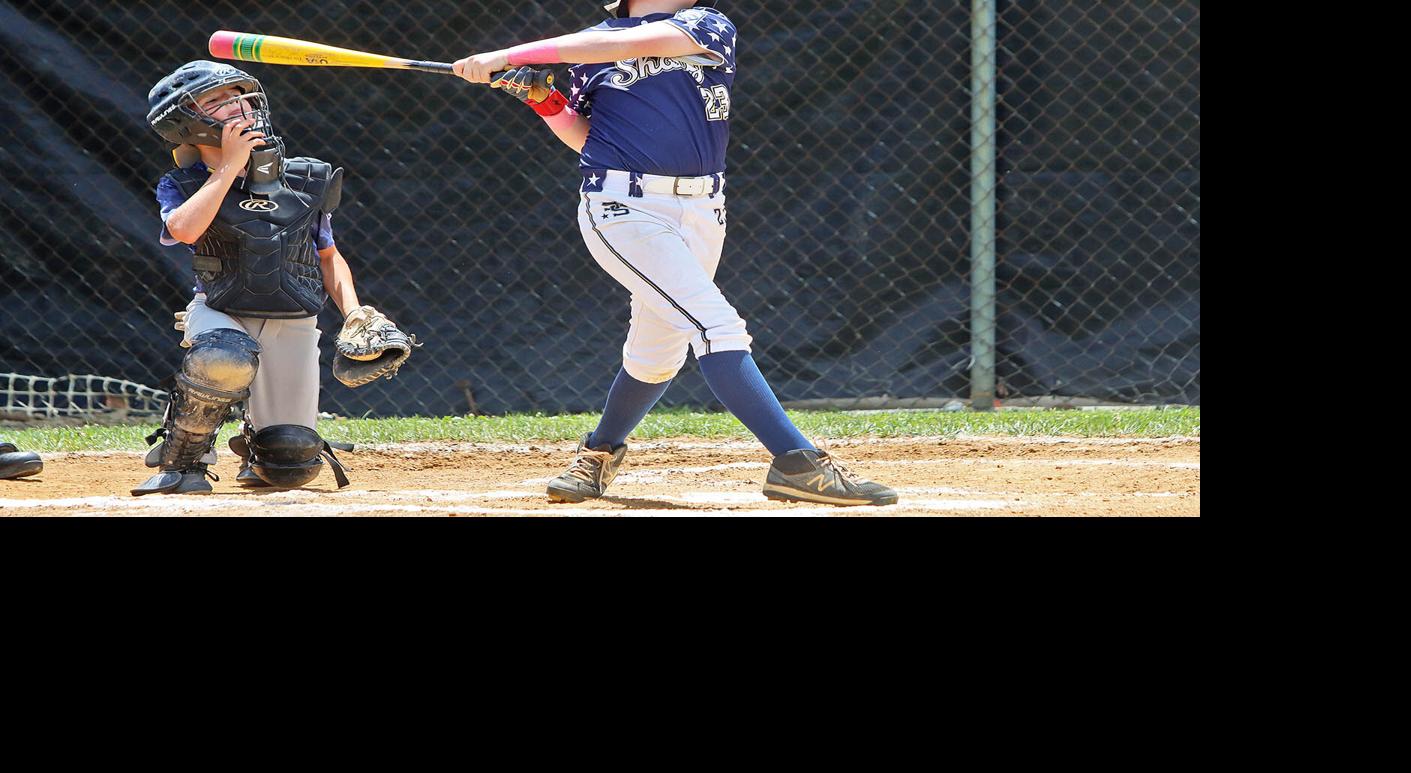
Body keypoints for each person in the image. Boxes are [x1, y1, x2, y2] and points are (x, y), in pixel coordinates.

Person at [453, 0, 898, 506]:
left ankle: (599, 453)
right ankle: (797, 462)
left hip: (704, 209)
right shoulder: (588, 43)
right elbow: (589, 138)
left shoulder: (705, 24)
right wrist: (545, 101)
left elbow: (622, 44)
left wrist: (504, 56)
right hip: (622, 207)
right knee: (716, 326)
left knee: (656, 352)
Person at [136, 60, 411, 495]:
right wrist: (229, 166)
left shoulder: (304, 178)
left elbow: (328, 254)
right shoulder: (183, 183)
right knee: (225, 356)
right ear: (185, 122)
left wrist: (355, 312)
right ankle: (183, 458)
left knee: (290, 461)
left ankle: (256, 441)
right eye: (217, 101)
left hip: (291, 313)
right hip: (220, 311)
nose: (238, 105)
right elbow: (184, 230)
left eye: (240, 95)